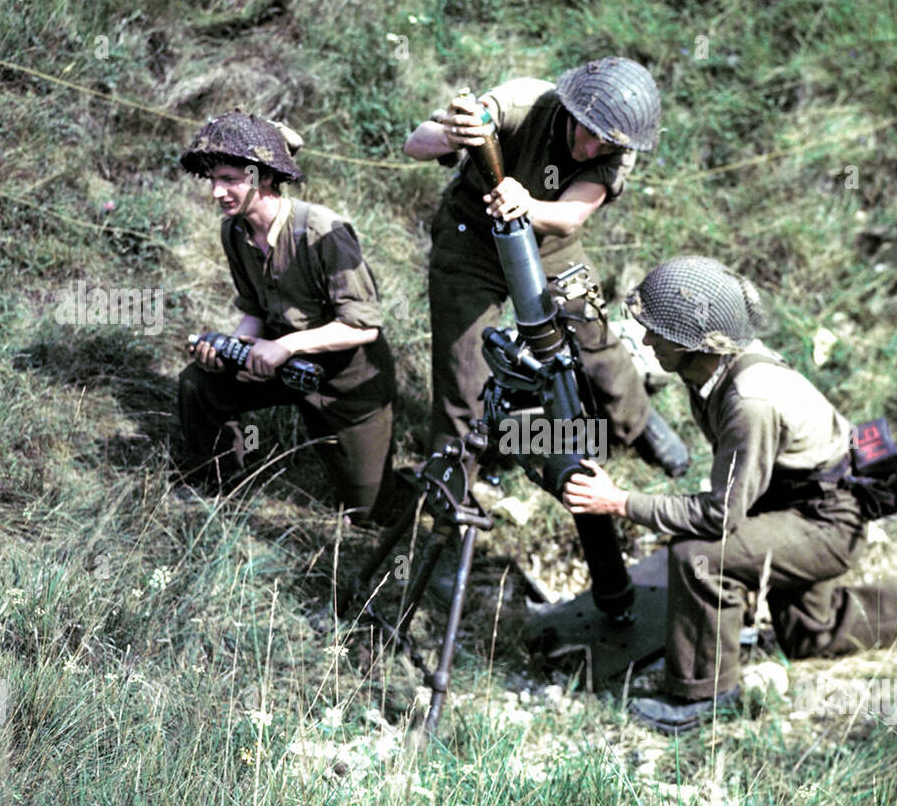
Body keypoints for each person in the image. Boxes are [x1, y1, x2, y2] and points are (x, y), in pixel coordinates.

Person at [562, 256, 897, 735]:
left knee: (700, 556)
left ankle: (704, 695)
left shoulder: (749, 400)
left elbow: (720, 516)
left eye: (659, 333)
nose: (646, 341)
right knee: (810, 632)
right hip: (798, 504)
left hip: (827, 521)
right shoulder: (713, 370)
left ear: (695, 341)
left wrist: (620, 502)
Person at [403, 56, 688, 477]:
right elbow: (415, 144)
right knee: (463, 377)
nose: (591, 149)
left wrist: (528, 205)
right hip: (471, 240)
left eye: (605, 145)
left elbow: (570, 215)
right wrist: (453, 133)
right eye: (589, 132)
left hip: (551, 242)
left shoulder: (620, 146)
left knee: (593, 336)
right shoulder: (521, 102)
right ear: (572, 110)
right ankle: (450, 489)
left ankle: (636, 422)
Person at [175, 112, 395, 519]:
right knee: (199, 382)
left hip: (348, 382)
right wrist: (235, 349)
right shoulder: (234, 232)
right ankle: (213, 487)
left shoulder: (320, 229)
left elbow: (364, 325)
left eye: (229, 179)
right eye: (212, 181)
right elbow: (255, 308)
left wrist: (283, 346)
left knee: (366, 511)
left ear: (261, 177)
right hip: (284, 365)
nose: (216, 193)